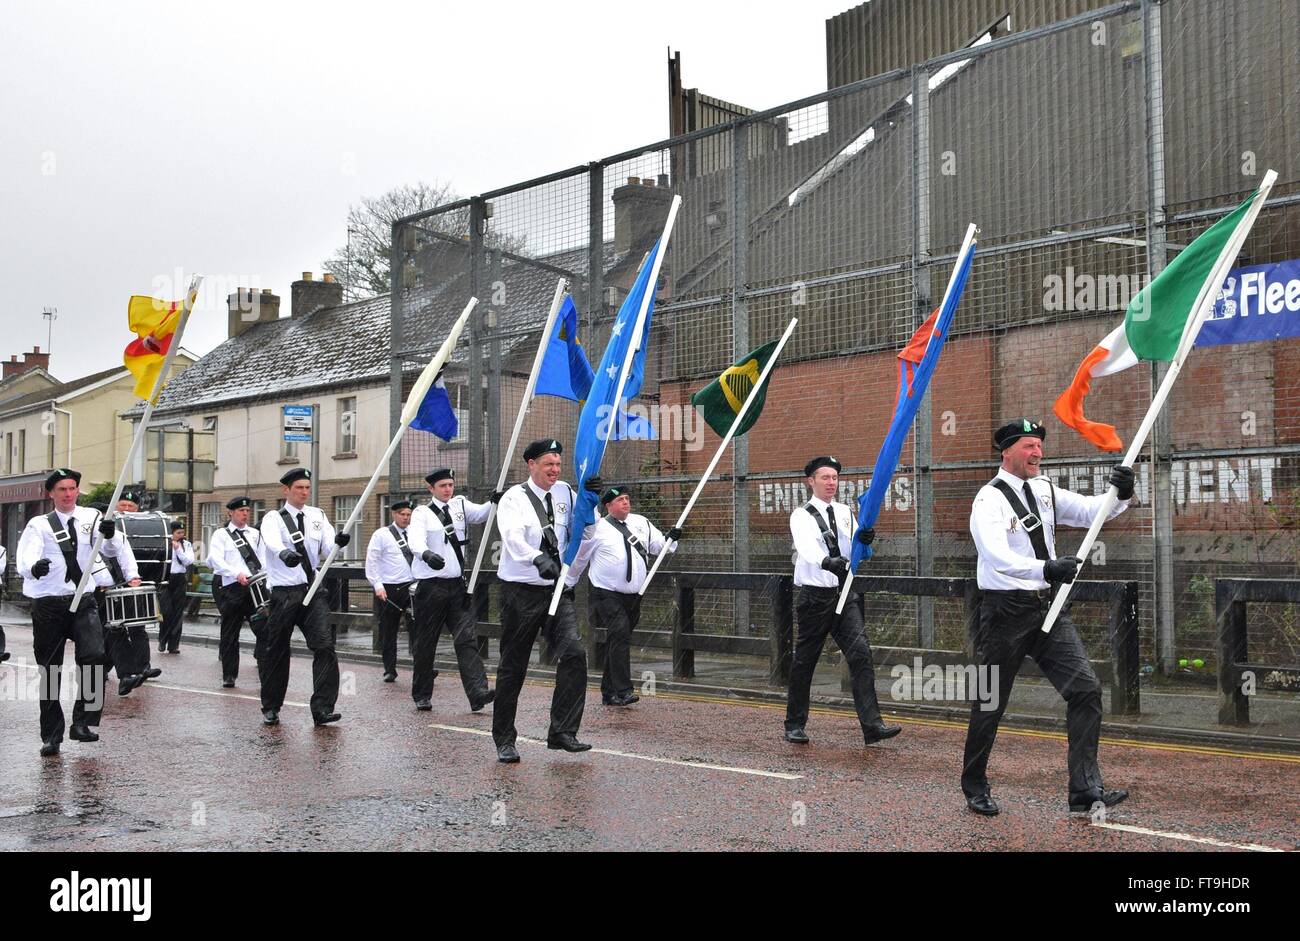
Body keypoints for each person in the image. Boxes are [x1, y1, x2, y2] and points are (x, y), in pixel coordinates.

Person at [963, 419, 1134, 817]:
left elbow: (1092, 512)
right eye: (1028, 446)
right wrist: (1045, 569)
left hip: (1048, 608)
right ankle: (974, 784)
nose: (1037, 452)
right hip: (1005, 611)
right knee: (989, 700)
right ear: (1006, 452)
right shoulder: (988, 500)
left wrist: (1121, 493)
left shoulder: (1044, 490)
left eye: (1039, 445)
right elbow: (996, 557)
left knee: (1086, 691)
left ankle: (1084, 791)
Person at [784, 455, 901, 748]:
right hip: (815, 596)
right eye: (825, 477)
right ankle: (794, 724)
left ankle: (872, 726)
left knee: (860, 655)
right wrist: (826, 561)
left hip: (845, 593)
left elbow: (855, 545)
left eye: (834, 478)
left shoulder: (846, 512)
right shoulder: (802, 514)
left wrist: (865, 537)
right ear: (811, 481)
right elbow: (807, 547)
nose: (831, 483)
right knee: (805, 660)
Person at [491, 439, 595, 763]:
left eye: (558, 464)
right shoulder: (514, 499)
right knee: (514, 665)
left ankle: (562, 730)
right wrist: (535, 557)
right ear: (531, 464)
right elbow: (511, 537)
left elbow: (588, 530)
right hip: (520, 592)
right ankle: (505, 739)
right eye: (548, 464)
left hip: (555, 590)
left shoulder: (565, 492)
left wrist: (592, 498)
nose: (554, 470)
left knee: (575, 653)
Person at [16, 468, 123, 756]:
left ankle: (84, 722)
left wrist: (110, 536)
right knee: (50, 671)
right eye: (61, 489)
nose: (67, 494)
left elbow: (112, 549)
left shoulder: (92, 517)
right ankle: (51, 735)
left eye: (72, 488)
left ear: (78, 490)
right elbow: (26, 554)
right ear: (51, 493)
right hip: (49, 603)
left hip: (83, 598)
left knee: (95, 656)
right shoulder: (39, 525)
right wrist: (33, 567)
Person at [567, 485, 680, 707]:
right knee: (619, 633)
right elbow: (580, 558)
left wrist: (671, 538)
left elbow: (659, 547)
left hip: (634, 595)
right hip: (606, 593)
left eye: (627, 498)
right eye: (620, 500)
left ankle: (609, 692)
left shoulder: (641, 522)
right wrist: (569, 581)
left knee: (617, 640)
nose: (626, 503)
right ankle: (624, 689)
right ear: (608, 506)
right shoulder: (597, 528)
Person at [258, 468, 346, 727]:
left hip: (313, 590)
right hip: (284, 593)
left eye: (307, 487)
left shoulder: (317, 515)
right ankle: (271, 706)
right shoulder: (273, 518)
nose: (304, 492)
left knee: (325, 647)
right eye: (299, 488)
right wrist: (284, 553)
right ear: (286, 490)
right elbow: (272, 541)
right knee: (277, 650)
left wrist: (339, 543)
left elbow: (328, 549)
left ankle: (323, 708)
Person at [406, 469, 496, 711]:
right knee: (426, 643)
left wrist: (497, 499)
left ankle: (478, 692)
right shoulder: (422, 513)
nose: (448, 489)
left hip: (456, 587)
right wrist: (426, 554)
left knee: (466, 639)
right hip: (431, 587)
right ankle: (422, 694)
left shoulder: (460, 505)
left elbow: (482, 514)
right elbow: (414, 539)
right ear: (431, 489)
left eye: (451, 484)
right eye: (443, 485)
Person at [86, 501, 147, 696]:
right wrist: (96, 582)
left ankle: (126, 675)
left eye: (107, 517)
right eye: (101, 517)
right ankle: (104, 671)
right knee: (97, 634)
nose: (104, 520)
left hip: (115, 590)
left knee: (114, 629)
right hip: (90, 592)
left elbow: (126, 557)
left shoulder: (117, 535)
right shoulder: (84, 537)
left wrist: (133, 577)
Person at [207, 497, 268, 688]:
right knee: (230, 633)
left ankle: (265, 668)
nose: (245, 514)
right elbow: (216, 560)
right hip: (232, 588)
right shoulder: (221, 535)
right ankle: (229, 674)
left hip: (254, 588)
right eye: (241, 511)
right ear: (231, 513)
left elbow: (264, 559)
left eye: (247, 511)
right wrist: (235, 573)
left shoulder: (255, 534)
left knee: (263, 629)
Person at [109, 489, 162, 683]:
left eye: (131, 506)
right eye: (123, 505)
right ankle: (105, 666)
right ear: (116, 506)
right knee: (113, 628)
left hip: (134, 583)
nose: (126, 509)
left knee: (137, 627)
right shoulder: (109, 525)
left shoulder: (143, 526)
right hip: (110, 584)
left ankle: (143, 667)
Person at [365, 496, 417, 684]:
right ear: (394, 514)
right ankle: (389, 669)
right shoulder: (382, 534)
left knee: (417, 629)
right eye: (402, 514)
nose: (406, 518)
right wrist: (377, 585)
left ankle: (422, 666)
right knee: (389, 630)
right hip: (390, 588)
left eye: (409, 514)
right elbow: (372, 561)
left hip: (412, 587)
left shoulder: (416, 533)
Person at [158, 519, 194, 653]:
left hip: (179, 579)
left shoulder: (186, 545)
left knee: (178, 613)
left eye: (182, 532)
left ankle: (174, 645)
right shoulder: (164, 544)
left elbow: (188, 561)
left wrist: (178, 550)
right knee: (166, 611)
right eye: (178, 532)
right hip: (166, 579)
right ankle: (163, 639)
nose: (181, 535)